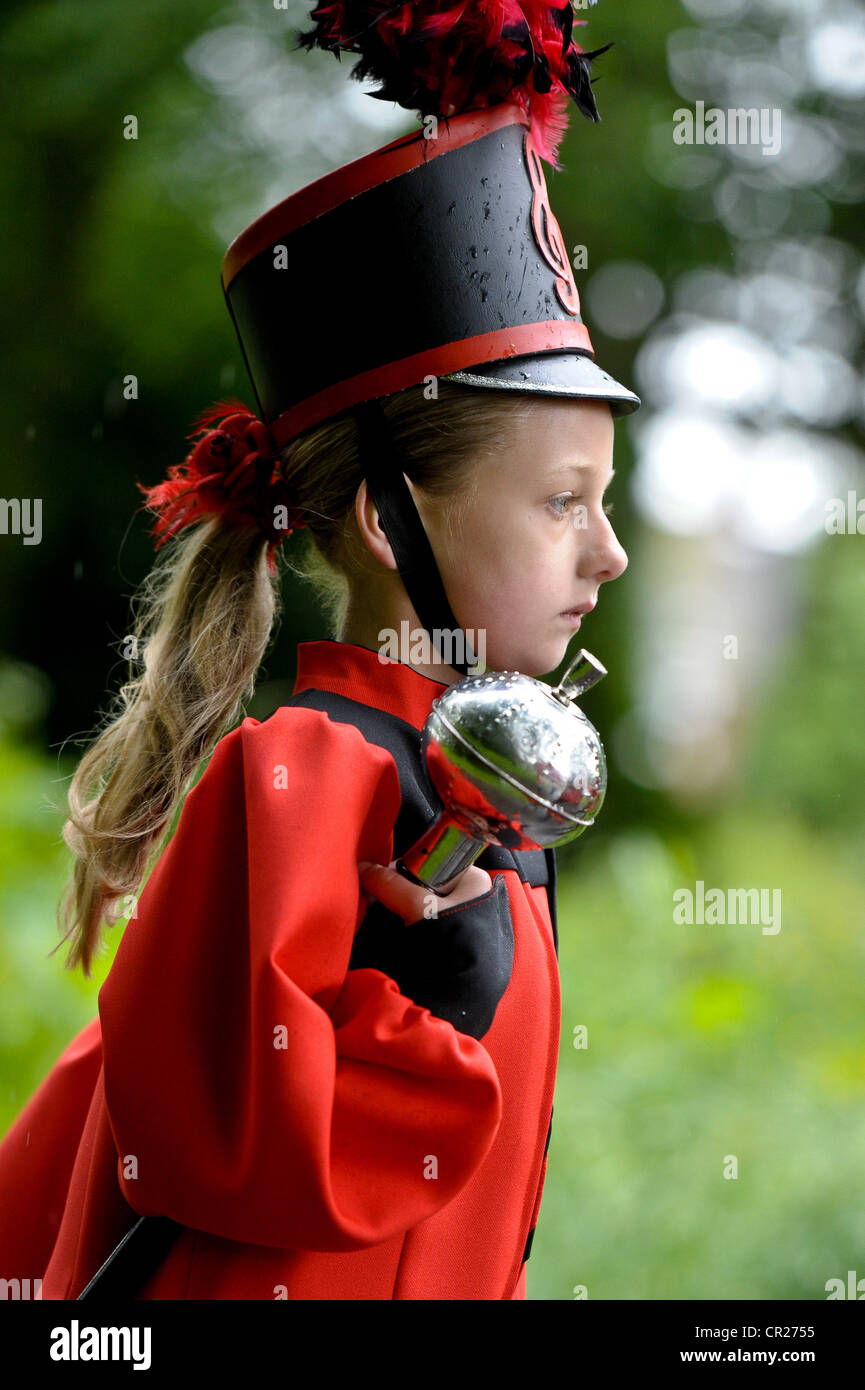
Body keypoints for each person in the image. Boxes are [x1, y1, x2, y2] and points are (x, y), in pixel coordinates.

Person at [0, 3, 639, 1300]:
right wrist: (435, 1003)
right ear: (387, 518)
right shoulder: (302, 771)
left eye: (604, 500)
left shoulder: (469, 793)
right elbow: (235, 1156)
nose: (607, 552)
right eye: (562, 501)